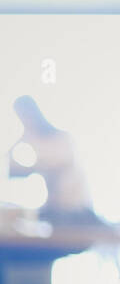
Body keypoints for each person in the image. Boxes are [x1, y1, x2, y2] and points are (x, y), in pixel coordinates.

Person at [7, 95, 100, 226]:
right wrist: (21, 138)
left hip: (75, 207)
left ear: (33, 113)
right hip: (55, 207)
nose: (24, 121)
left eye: (24, 115)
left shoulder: (62, 137)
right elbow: (9, 159)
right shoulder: (33, 138)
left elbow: (58, 166)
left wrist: (33, 168)